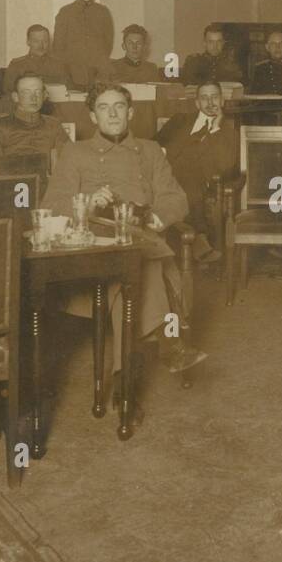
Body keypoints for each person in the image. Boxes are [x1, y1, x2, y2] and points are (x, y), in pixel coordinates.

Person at [43, 82, 203, 391]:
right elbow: (51, 205)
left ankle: (123, 376)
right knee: (136, 261)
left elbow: (176, 198)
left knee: (134, 261)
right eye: (104, 107)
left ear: (130, 112)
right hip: (92, 242)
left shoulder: (151, 150)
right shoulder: (75, 152)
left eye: (119, 107)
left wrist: (157, 217)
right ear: (92, 116)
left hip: (142, 234)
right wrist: (87, 202)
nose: (112, 113)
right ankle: (168, 345)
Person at [156, 80, 239, 262]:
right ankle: (197, 237)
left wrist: (216, 129)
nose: (210, 103)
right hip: (165, 175)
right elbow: (154, 145)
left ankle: (196, 237)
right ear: (196, 103)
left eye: (215, 97)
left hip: (204, 181)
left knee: (187, 173)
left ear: (222, 101)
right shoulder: (179, 120)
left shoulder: (230, 128)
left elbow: (226, 164)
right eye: (204, 98)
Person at [0, 73, 71, 160]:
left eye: (38, 92)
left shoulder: (53, 125)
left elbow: (68, 160)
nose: (33, 98)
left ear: (44, 96)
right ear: (15, 97)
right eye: (26, 92)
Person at [52, 0, 114, 90]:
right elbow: (58, 47)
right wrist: (66, 73)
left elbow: (107, 44)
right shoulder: (66, 12)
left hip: (99, 74)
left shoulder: (103, 12)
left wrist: (99, 66)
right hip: (72, 75)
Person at [4, 24, 70, 92]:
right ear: (28, 42)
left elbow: (68, 91)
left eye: (45, 41)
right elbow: (8, 93)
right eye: (36, 41)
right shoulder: (16, 65)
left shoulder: (59, 65)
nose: (41, 46)